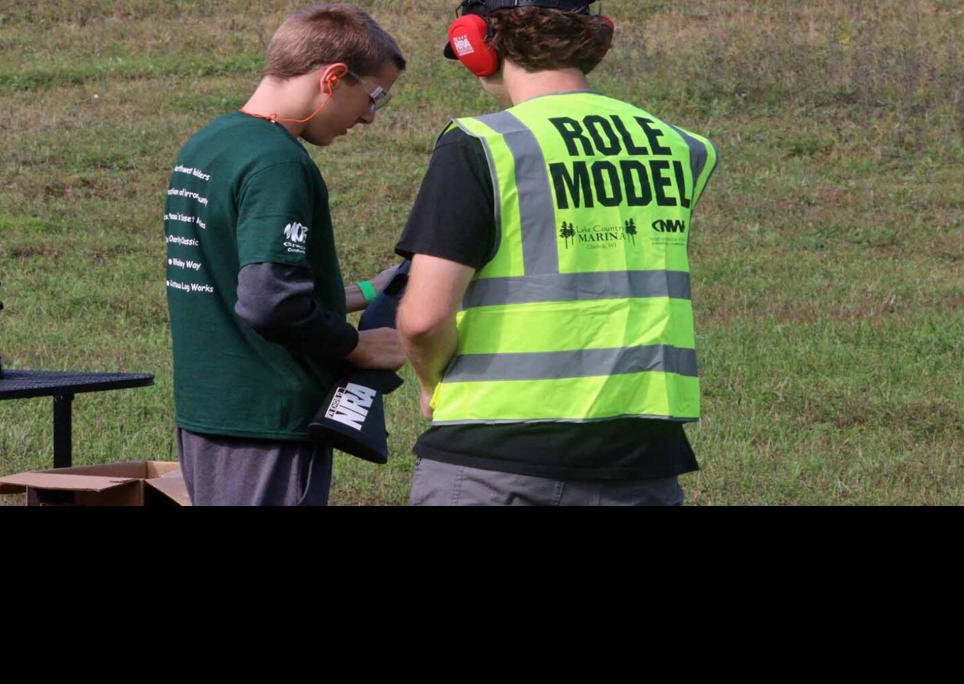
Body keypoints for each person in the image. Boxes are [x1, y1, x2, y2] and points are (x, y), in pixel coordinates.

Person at [395, 0, 720, 506]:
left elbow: (421, 320)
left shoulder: (482, 144)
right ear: (594, 38)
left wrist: (428, 382)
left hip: (494, 455)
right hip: (640, 459)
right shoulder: (683, 148)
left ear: (479, 44)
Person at [164, 3, 407, 506]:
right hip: (267, 420)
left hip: (212, 414)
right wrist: (357, 347)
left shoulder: (208, 144)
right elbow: (271, 302)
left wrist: (367, 293)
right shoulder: (278, 163)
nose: (368, 117)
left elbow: (240, 284)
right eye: (373, 96)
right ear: (335, 77)